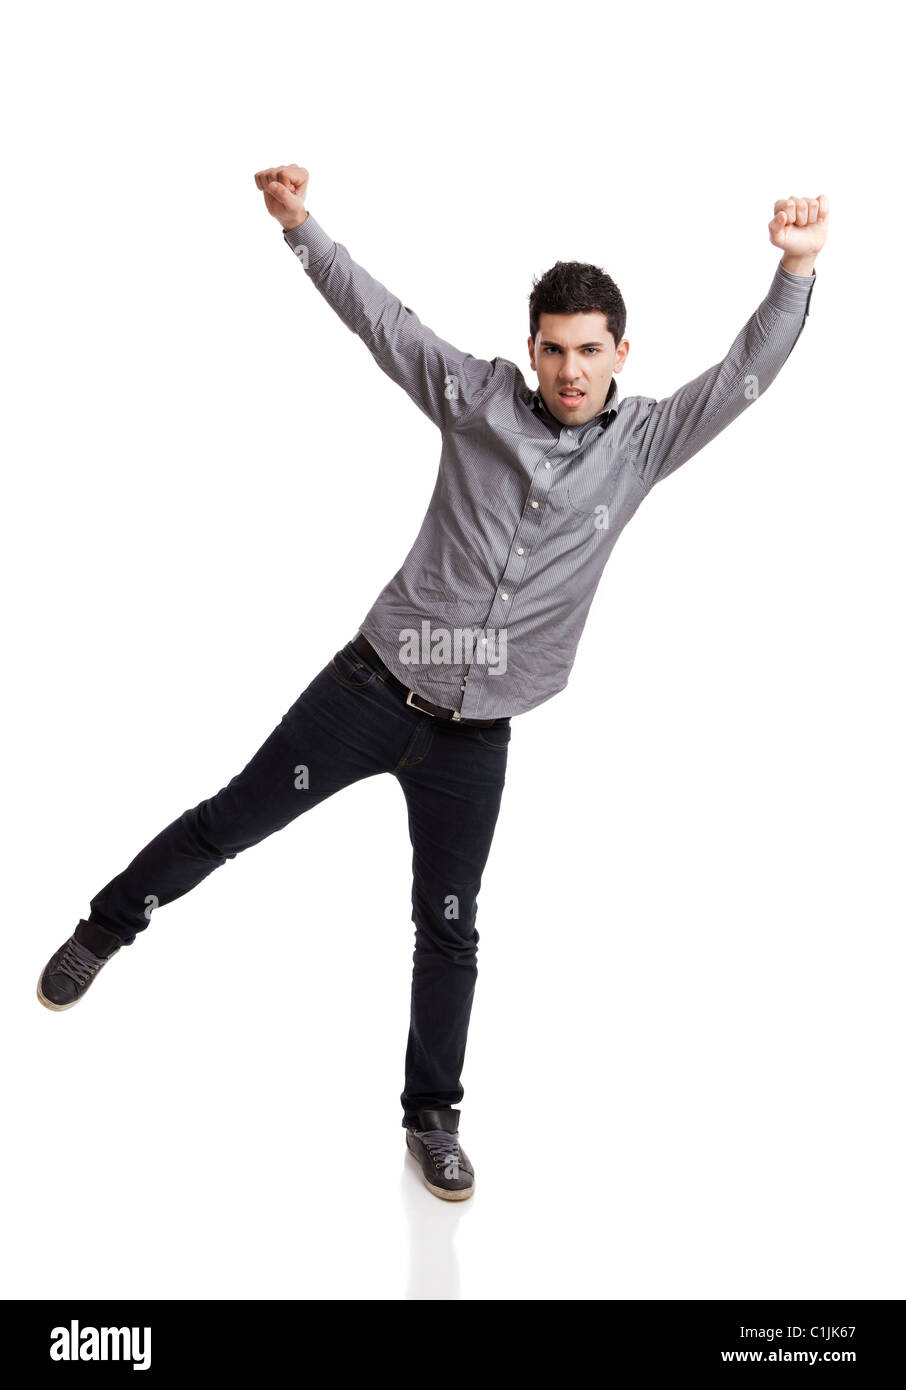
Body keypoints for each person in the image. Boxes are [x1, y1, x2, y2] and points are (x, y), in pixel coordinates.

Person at [37, 165, 828, 1201]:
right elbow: (384, 322)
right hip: (370, 691)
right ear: (532, 346)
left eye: (592, 350)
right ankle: (106, 926)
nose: (571, 368)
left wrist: (797, 269)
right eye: (554, 347)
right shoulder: (475, 396)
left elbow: (743, 375)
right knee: (230, 820)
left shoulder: (642, 447)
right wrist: (300, 229)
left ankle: (432, 1119)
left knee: (449, 922)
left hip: (477, 737)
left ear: (620, 354)